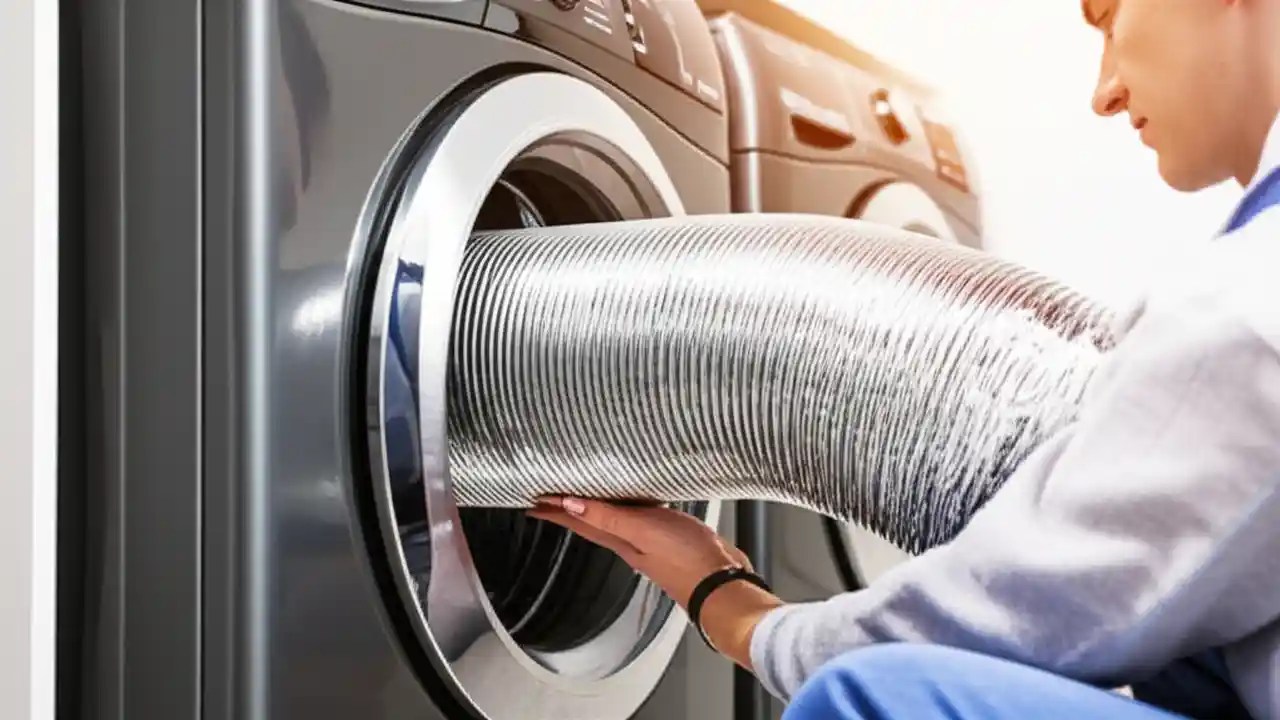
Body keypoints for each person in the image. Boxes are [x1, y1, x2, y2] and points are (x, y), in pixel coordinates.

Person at [528, 0, 1280, 718]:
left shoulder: (1248, 306)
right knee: (1192, 645)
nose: (1105, 92)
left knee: (873, 699)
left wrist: (728, 605)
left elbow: (1019, 616)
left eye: (1109, 19)